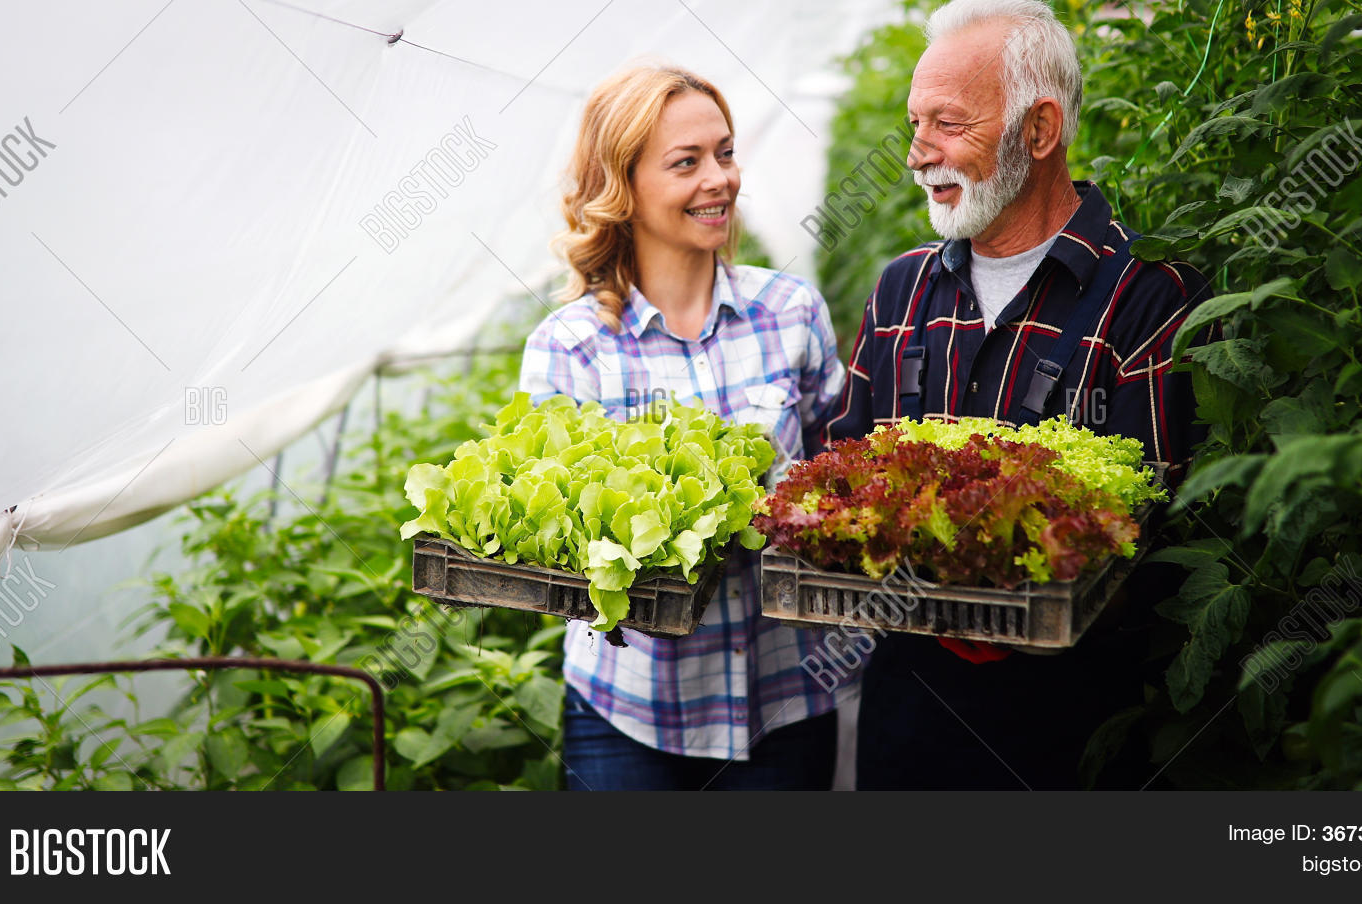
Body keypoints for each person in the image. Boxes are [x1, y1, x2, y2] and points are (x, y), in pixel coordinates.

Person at [822, 0, 1215, 789]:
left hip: (1070, 736)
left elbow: (1167, 547)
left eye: (948, 124)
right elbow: (843, 468)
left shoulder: (1147, 299)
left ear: (1039, 132)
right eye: (913, 124)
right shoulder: (902, 290)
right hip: (908, 721)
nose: (916, 154)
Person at [519, 64, 848, 790]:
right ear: (623, 186)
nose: (719, 179)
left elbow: (840, 473)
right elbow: (560, 547)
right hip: (629, 713)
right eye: (686, 163)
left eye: (725, 154)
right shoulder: (570, 346)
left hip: (784, 702)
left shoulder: (791, 312)